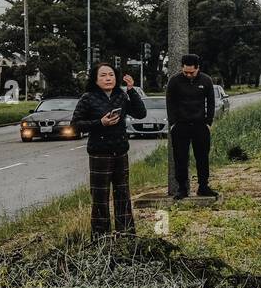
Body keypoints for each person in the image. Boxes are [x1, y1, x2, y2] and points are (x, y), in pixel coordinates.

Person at [71, 63, 148, 237]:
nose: (108, 78)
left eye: (111, 75)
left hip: (120, 152)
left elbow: (141, 113)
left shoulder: (121, 96)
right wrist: (100, 123)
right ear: (95, 79)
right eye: (103, 75)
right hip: (99, 154)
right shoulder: (88, 98)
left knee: (123, 195)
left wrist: (131, 90)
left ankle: (127, 234)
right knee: (100, 198)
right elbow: (75, 126)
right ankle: (100, 237)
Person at [166, 53, 217, 199]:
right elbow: (170, 102)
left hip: (200, 125)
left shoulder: (206, 80)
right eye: (185, 72)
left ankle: (203, 186)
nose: (188, 75)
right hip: (180, 125)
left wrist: (208, 122)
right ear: (182, 68)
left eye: (191, 72)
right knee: (180, 157)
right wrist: (173, 123)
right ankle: (182, 188)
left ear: (198, 68)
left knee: (202, 157)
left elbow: (211, 102)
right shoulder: (174, 81)